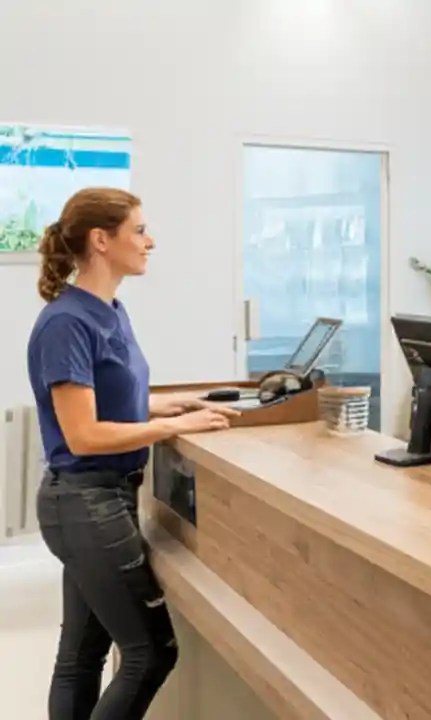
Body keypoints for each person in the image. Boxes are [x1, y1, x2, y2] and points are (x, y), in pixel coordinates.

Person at [27, 187, 236, 720]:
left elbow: (111, 396)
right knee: (150, 652)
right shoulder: (67, 322)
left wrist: (165, 404)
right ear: (101, 240)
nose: (151, 241)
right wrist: (175, 427)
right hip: (84, 503)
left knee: (82, 653)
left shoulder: (109, 311)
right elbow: (85, 436)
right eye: (139, 230)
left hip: (100, 500)